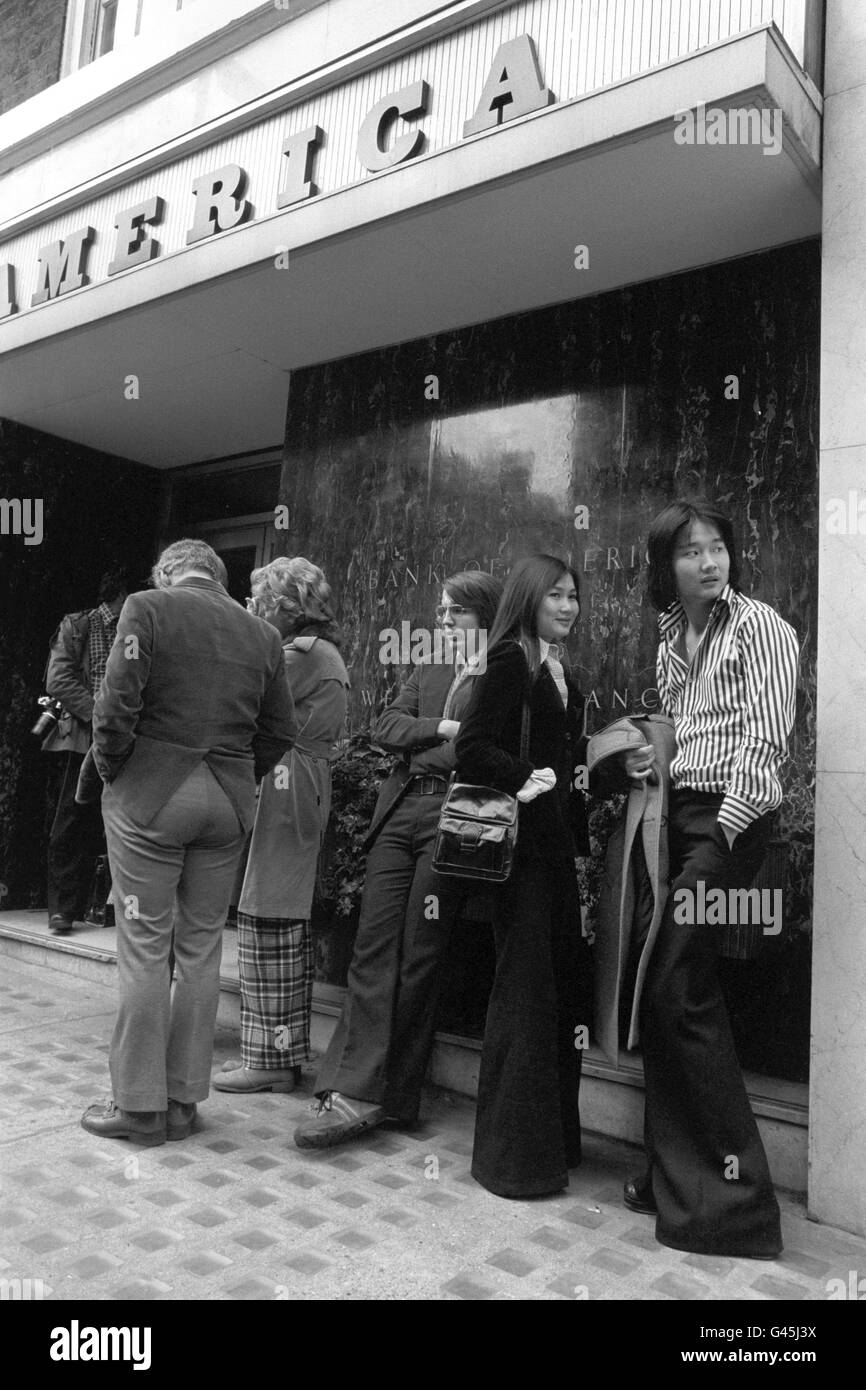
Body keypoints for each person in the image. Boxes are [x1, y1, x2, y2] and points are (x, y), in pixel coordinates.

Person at [622, 499, 799, 1258]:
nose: (709, 561)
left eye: (717, 547)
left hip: (732, 820)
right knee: (668, 988)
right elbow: (686, 730)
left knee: (674, 985)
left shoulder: (760, 626)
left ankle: (737, 1205)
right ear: (668, 565)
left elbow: (763, 744)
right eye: (691, 551)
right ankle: (674, 1174)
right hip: (680, 811)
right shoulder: (672, 636)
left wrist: (720, 841)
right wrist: (644, 758)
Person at [77, 539, 297, 1147]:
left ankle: (139, 1110)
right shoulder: (264, 635)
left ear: (169, 571)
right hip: (226, 804)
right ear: (218, 577)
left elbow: (115, 704)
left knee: (145, 946)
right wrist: (237, 773)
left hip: (152, 795)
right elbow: (282, 730)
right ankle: (180, 1106)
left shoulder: (146, 607)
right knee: (200, 950)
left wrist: (116, 768)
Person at [293, 570, 503, 1149]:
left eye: (454, 612)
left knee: (420, 957)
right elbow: (386, 727)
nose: (442, 622)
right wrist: (441, 727)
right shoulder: (432, 663)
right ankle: (350, 1086)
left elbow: (483, 752)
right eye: (439, 611)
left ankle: (393, 1098)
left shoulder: (502, 672)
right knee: (372, 947)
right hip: (401, 812)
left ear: (483, 616)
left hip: (455, 821)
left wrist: (435, 744)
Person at [453, 555, 591, 1198]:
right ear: (529, 597)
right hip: (519, 855)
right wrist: (524, 779)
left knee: (558, 991)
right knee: (526, 992)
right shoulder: (509, 658)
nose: (567, 606)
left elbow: (563, 757)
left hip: (555, 853)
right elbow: (471, 745)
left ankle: (556, 1144)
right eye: (556, 595)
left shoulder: (556, 665)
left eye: (574, 597)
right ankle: (514, 1162)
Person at [215, 558, 349, 1096]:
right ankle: (277, 1055)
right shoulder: (316, 652)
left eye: (260, 600)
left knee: (268, 915)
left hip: (286, 782)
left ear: (284, 607)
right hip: (296, 783)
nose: (254, 608)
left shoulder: (298, 655)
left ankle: (270, 1060)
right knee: (276, 917)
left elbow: (238, 700)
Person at [41, 571, 130, 934]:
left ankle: (112, 908)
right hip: (84, 738)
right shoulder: (78, 626)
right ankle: (63, 909)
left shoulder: (138, 629)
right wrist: (100, 716)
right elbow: (58, 679)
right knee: (72, 820)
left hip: (124, 739)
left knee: (121, 823)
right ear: (120, 594)